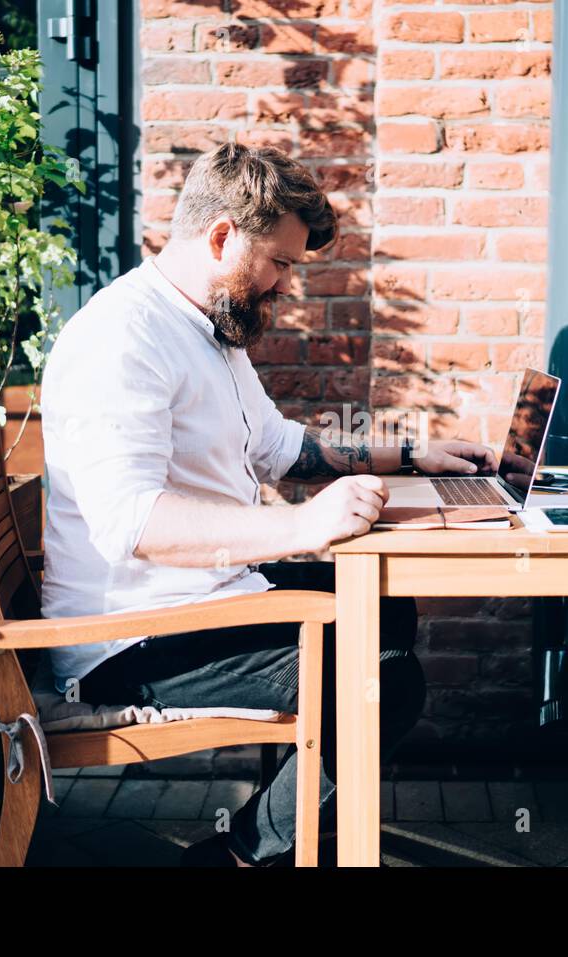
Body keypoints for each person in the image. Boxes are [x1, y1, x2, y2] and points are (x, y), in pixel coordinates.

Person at [39, 143, 497, 866]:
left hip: (205, 595)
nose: (285, 287)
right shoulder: (122, 339)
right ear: (221, 237)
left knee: (388, 607)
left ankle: (304, 818)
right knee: (381, 678)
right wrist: (301, 523)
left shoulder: (208, 326)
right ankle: (240, 853)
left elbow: (278, 446)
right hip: (135, 636)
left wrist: (414, 454)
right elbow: (131, 521)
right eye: (279, 264)